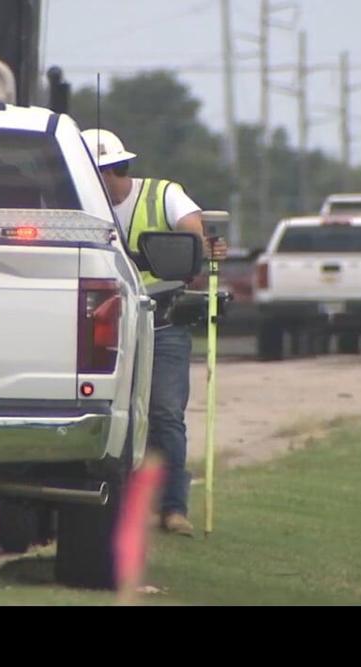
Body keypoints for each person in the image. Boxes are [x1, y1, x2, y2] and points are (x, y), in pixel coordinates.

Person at [81, 129, 226, 536]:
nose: (90, 184)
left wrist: (196, 248)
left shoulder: (162, 194)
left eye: (97, 175)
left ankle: (173, 508)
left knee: (164, 415)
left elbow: (190, 227)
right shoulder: (78, 203)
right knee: (110, 418)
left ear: (115, 170)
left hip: (162, 321)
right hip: (106, 325)